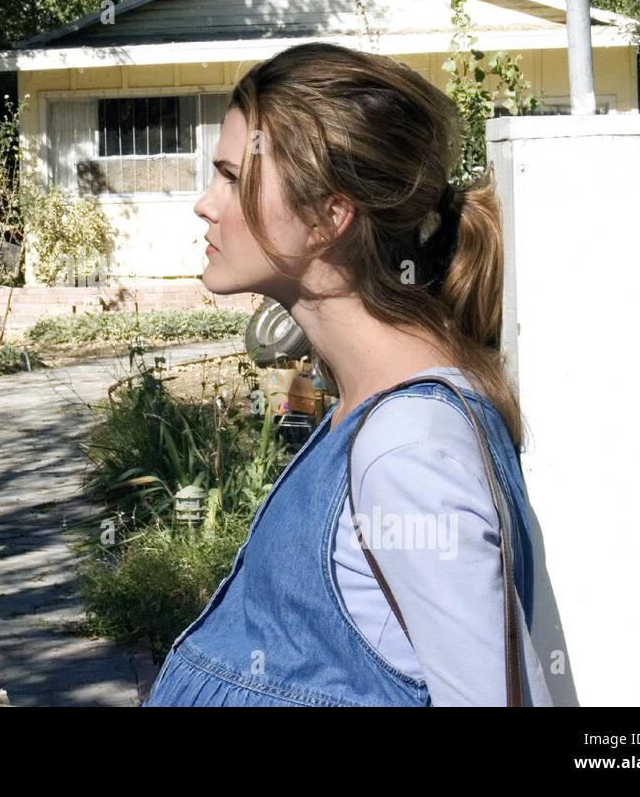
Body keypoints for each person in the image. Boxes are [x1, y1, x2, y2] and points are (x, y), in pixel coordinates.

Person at [143, 42, 552, 706]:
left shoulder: (410, 446)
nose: (205, 204)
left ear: (329, 217)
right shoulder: (365, 412)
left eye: (230, 175)